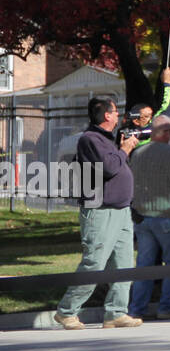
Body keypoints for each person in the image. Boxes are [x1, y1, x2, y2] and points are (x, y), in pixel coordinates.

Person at [53, 97, 142, 330]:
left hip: (120, 210)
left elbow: (114, 165)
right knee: (94, 263)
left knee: (124, 264)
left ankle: (116, 313)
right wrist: (124, 150)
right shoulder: (90, 140)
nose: (118, 115)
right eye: (115, 112)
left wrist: (122, 150)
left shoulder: (105, 140)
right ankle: (66, 311)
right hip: (101, 211)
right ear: (106, 116)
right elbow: (110, 168)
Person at [127, 115, 170, 320]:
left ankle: (137, 308)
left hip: (142, 218)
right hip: (168, 216)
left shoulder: (137, 153)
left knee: (144, 265)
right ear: (165, 132)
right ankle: (166, 307)